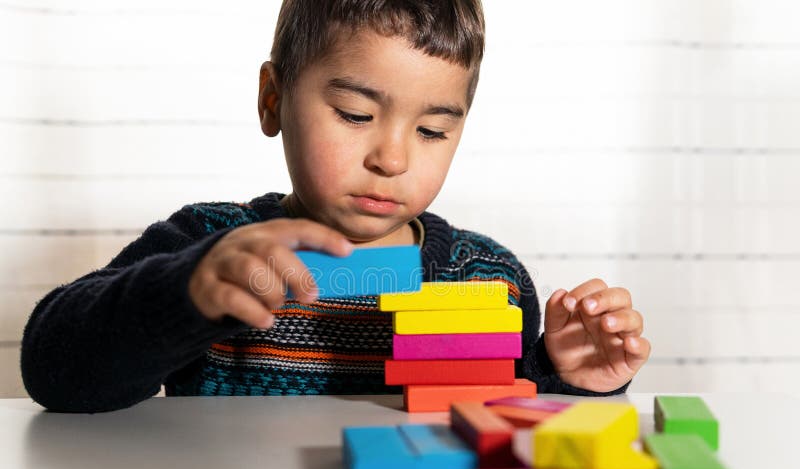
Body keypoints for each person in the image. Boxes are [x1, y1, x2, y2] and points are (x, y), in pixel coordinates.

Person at [21, 0, 650, 413]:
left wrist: (566, 375)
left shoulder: (488, 278)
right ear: (273, 99)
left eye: (432, 130)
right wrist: (184, 294)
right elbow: (55, 371)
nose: (393, 159)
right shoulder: (206, 246)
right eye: (354, 115)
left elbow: (509, 425)